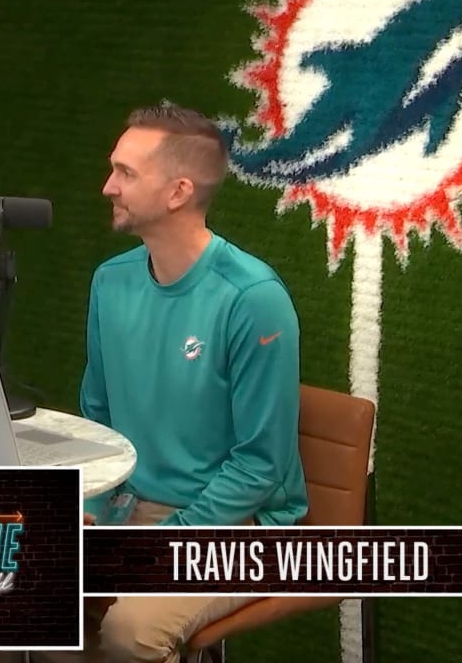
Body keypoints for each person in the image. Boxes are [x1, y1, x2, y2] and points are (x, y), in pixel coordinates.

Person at [79, 103, 308, 663]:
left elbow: (260, 464)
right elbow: (98, 413)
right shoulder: (111, 282)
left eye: (126, 173)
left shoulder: (252, 299)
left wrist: (165, 544)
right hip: (129, 507)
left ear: (178, 191)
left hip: (236, 525)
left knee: (131, 632)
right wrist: (96, 507)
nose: (108, 186)